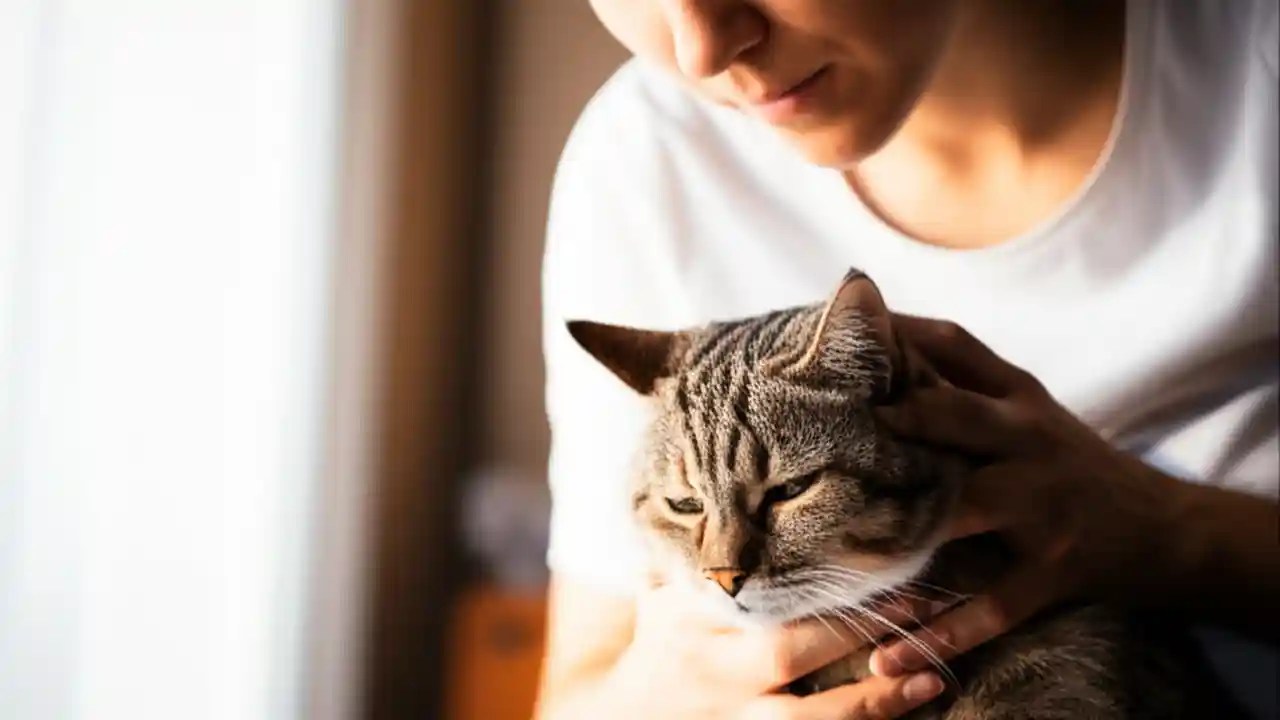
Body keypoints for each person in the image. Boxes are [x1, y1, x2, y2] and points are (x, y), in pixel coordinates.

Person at [534, 2, 1279, 718]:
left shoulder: (1253, 55)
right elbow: (580, 693)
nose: (702, 49)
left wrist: (1172, 531)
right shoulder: (643, 154)